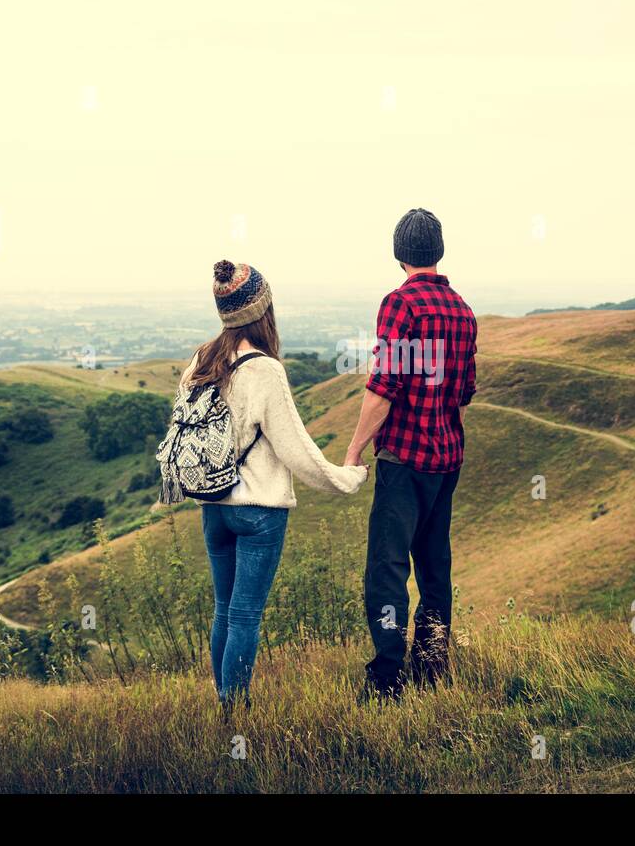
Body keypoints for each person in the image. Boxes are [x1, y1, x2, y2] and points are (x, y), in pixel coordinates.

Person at [184, 260, 367, 709]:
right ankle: (234, 714)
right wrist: (347, 478)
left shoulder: (202, 359)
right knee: (245, 615)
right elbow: (297, 451)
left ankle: (223, 706)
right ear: (263, 311)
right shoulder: (264, 370)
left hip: (213, 506)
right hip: (258, 512)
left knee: (224, 612)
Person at [344, 209, 478, 700]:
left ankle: (386, 677)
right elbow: (464, 391)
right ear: (438, 251)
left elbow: (383, 389)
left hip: (404, 459)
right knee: (434, 563)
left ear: (399, 253)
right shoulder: (463, 310)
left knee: (387, 568)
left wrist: (355, 450)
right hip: (447, 459)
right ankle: (432, 662)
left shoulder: (399, 304)